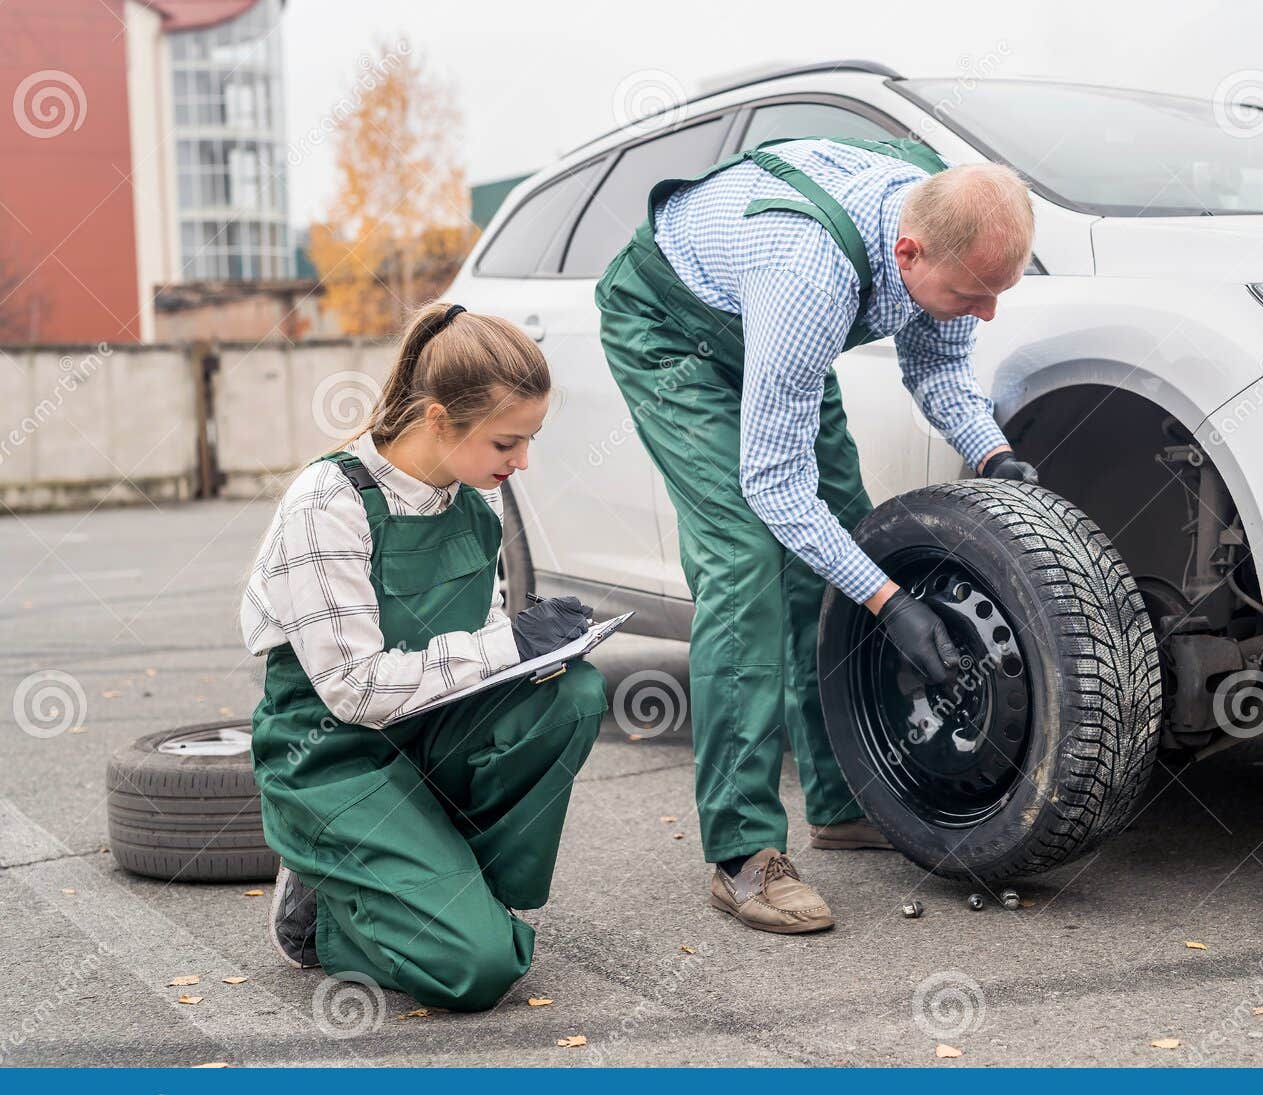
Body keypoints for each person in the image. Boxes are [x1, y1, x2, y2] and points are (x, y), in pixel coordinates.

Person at [594, 135, 1039, 935]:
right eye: (976, 293)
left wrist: (995, 454)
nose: (988, 312)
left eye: (999, 292)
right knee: (747, 559)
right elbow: (773, 486)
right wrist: (889, 600)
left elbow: (937, 368)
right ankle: (742, 854)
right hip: (672, 331)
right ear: (907, 252)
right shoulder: (807, 274)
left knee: (841, 538)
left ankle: (843, 799)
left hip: (765, 324)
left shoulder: (936, 217)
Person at [240, 301, 608, 1012]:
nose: (522, 462)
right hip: (331, 758)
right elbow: (350, 689)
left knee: (575, 693)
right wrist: (509, 643)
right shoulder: (328, 502)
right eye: (507, 443)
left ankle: (448, 885)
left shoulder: (475, 504)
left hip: (429, 735)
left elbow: (480, 650)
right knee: (478, 970)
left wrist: (544, 651)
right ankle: (322, 916)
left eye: (528, 441)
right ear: (439, 418)